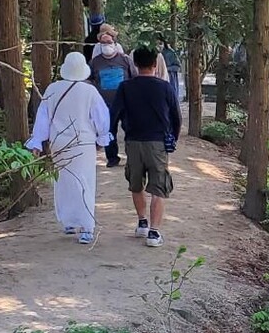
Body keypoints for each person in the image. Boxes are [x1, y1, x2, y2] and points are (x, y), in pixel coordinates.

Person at [26, 52, 111, 244]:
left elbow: (43, 117)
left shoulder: (52, 89)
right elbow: (101, 117)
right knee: (85, 182)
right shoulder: (90, 91)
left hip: (59, 142)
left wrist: (38, 141)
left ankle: (68, 221)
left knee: (63, 181)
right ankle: (87, 227)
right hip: (83, 142)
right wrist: (102, 138)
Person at [118, 46, 183, 247]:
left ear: (135, 64)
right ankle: (154, 233)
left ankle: (142, 222)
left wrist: (112, 139)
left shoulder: (125, 87)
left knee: (135, 183)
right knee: (159, 186)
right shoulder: (165, 88)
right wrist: (173, 138)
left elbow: (115, 113)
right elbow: (176, 117)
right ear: (155, 64)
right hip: (157, 144)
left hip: (133, 142)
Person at [90, 27, 135, 166]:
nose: (106, 46)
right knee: (109, 131)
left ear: (114, 43)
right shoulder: (95, 62)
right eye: (103, 43)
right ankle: (112, 158)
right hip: (105, 104)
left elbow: (134, 77)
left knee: (130, 129)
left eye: (108, 42)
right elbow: (90, 79)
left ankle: (133, 158)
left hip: (126, 102)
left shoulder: (125, 60)